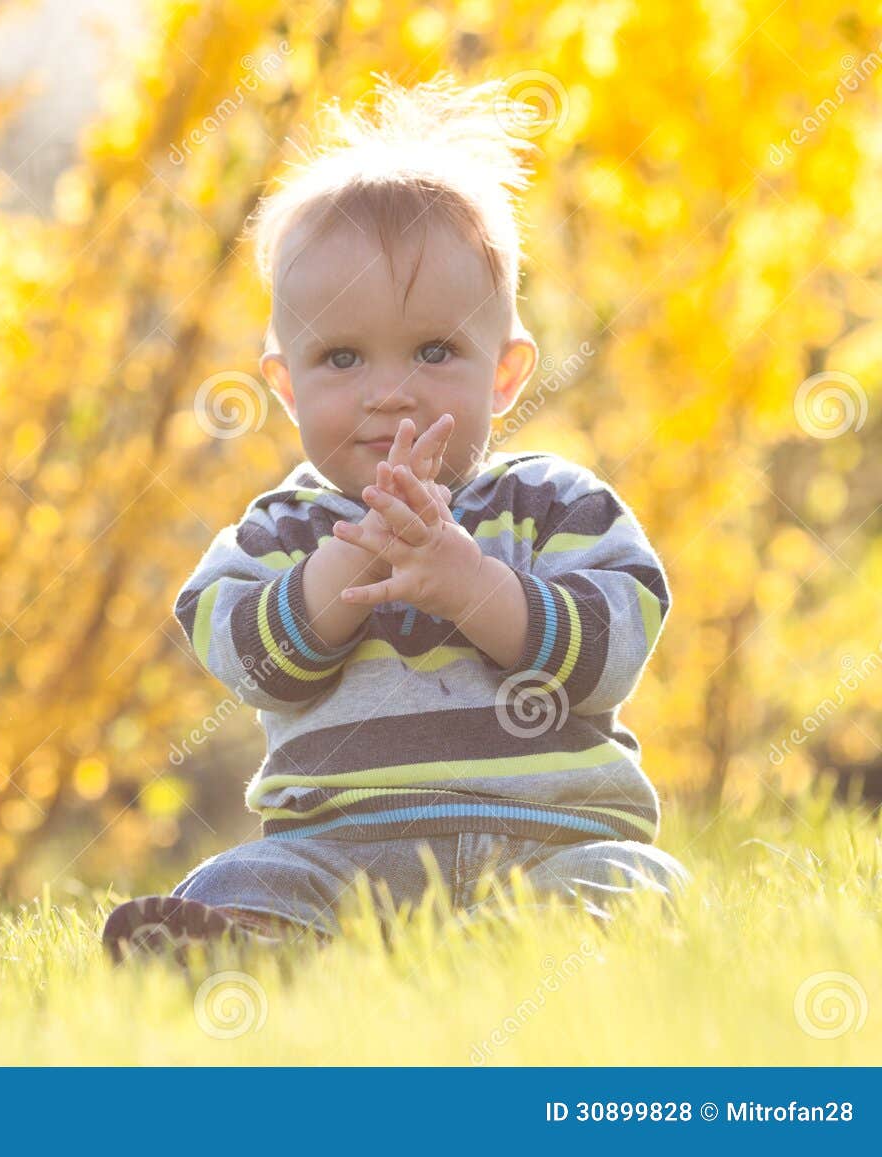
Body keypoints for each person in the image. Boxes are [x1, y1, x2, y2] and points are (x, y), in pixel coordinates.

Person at [104, 73, 690, 963]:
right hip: (338, 856)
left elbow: (616, 648)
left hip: (545, 843)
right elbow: (244, 652)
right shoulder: (286, 527)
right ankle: (250, 952)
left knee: (635, 879)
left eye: (433, 350)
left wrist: (476, 587)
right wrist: (342, 572)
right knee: (237, 880)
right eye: (341, 357)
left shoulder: (555, 503)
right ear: (287, 383)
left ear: (504, 370)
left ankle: (527, 949)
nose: (388, 393)